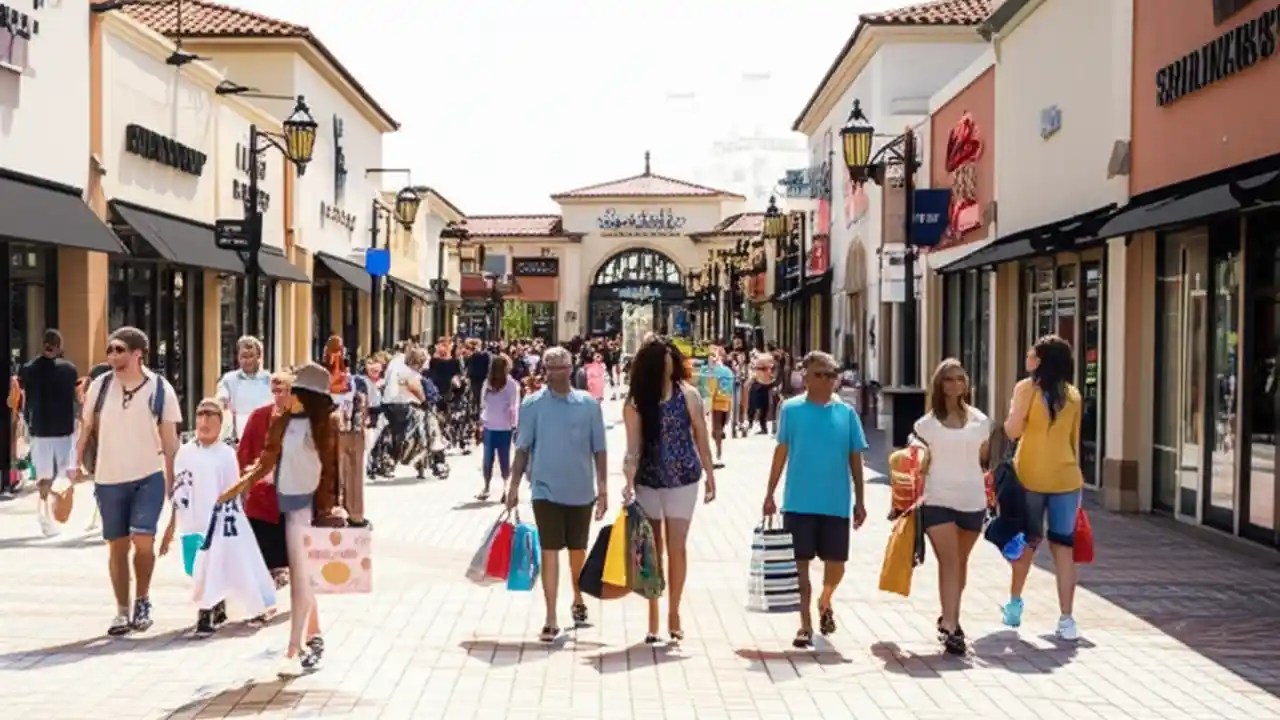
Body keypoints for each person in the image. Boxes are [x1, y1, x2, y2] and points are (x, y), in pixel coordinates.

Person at [230, 362, 344, 677]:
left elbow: (337, 470)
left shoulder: (327, 425)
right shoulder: (282, 421)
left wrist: (342, 508)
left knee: (302, 577)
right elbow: (267, 458)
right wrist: (242, 486)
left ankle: (296, 646)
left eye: (295, 391)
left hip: (309, 509)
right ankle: (307, 639)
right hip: (282, 505)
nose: (288, 396)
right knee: (300, 577)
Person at [72, 327, 182, 636]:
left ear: (137, 354)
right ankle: (121, 610)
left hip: (149, 476)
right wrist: (75, 462)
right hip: (108, 478)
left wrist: (172, 481)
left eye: (119, 349)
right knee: (117, 547)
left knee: (143, 540)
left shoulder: (160, 389)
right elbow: (87, 426)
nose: (112, 355)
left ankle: (143, 600)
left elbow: (170, 442)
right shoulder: (100, 387)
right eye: (110, 350)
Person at [761, 351, 868, 648]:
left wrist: (860, 500)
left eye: (831, 375)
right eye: (819, 374)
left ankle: (825, 599)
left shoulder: (846, 413)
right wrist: (769, 493)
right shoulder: (791, 410)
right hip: (798, 501)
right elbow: (781, 451)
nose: (825, 380)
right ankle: (805, 624)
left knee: (837, 565)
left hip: (835, 502)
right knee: (800, 565)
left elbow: (856, 458)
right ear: (804, 377)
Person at [505, 346, 608, 642]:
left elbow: (599, 448)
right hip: (544, 489)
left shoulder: (588, 404)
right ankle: (550, 616)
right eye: (550, 368)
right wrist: (512, 486)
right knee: (550, 550)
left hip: (580, 489)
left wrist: (603, 489)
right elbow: (522, 448)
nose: (556, 373)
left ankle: (578, 597)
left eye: (562, 367)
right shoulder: (533, 405)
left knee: (578, 550)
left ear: (571, 368)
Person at [622, 339, 716, 644]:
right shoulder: (636, 402)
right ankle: (653, 615)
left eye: (671, 360)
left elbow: (701, 435)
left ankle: (673, 612)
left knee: (677, 546)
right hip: (648, 479)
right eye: (664, 362)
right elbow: (632, 445)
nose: (669, 366)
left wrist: (711, 473)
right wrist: (628, 477)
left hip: (684, 477)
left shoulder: (688, 395)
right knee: (652, 550)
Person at [1002, 335, 1084, 641]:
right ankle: (1067, 618)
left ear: (1041, 361)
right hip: (1067, 479)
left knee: (1028, 541)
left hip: (1031, 478)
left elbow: (1012, 431)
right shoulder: (1073, 395)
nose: (1027, 358)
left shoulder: (1026, 389)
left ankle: (1014, 605)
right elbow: (1074, 443)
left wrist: (1018, 406)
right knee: (1064, 549)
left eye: (1032, 355)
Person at [912, 359, 991, 655]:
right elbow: (918, 456)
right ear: (939, 384)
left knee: (960, 562)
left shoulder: (981, 422)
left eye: (960, 378)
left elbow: (984, 460)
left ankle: (949, 615)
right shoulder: (926, 425)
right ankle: (953, 626)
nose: (956, 383)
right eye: (949, 379)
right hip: (938, 499)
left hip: (972, 500)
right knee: (949, 561)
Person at [159, 398, 242, 638]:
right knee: (192, 567)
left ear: (220, 421)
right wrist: (170, 527)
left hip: (215, 523)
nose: (204, 421)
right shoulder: (185, 453)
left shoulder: (226, 454)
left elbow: (233, 490)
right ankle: (216, 602)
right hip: (190, 522)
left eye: (210, 415)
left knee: (210, 567)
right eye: (200, 415)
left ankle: (205, 613)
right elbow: (179, 489)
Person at [239, 371, 294, 601]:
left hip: (292, 497)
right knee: (260, 550)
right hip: (261, 496)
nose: (278, 396)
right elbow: (244, 452)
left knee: (292, 551)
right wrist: (246, 482)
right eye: (275, 391)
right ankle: (264, 598)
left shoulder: (302, 420)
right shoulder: (258, 417)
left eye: (283, 391)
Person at [18, 329, 79, 536]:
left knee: (46, 475)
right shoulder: (69, 369)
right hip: (60, 429)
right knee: (61, 474)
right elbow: (76, 399)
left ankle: (46, 513)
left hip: (41, 429)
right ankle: (50, 513)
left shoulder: (28, 369)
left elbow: (24, 399)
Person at [478, 354, 519, 501]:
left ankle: (487, 486)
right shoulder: (512, 384)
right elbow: (514, 407)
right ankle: (505, 487)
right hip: (505, 426)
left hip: (489, 424)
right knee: (504, 457)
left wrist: (481, 421)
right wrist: (515, 425)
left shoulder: (487, 383)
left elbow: (482, 403)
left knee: (488, 458)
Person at [215, 336, 272, 443]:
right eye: (243, 357)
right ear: (238, 357)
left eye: (251, 356)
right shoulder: (229, 380)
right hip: (238, 438)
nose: (247, 361)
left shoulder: (269, 380)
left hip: (265, 437)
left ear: (259, 356)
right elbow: (220, 402)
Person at [706, 348, 735, 467]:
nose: (712, 358)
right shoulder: (724, 371)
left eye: (714, 355)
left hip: (718, 401)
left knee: (717, 428)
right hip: (714, 402)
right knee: (716, 429)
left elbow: (729, 390)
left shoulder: (723, 371)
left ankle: (717, 455)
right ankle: (716, 454)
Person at [747, 349, 775, 434]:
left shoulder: (763, 364)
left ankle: (762, 427)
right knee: (754, 406)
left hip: (761, 385)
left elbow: (769, 371)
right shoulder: (753, 365)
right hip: (758, 385)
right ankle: (752, 423)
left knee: (762, 407)